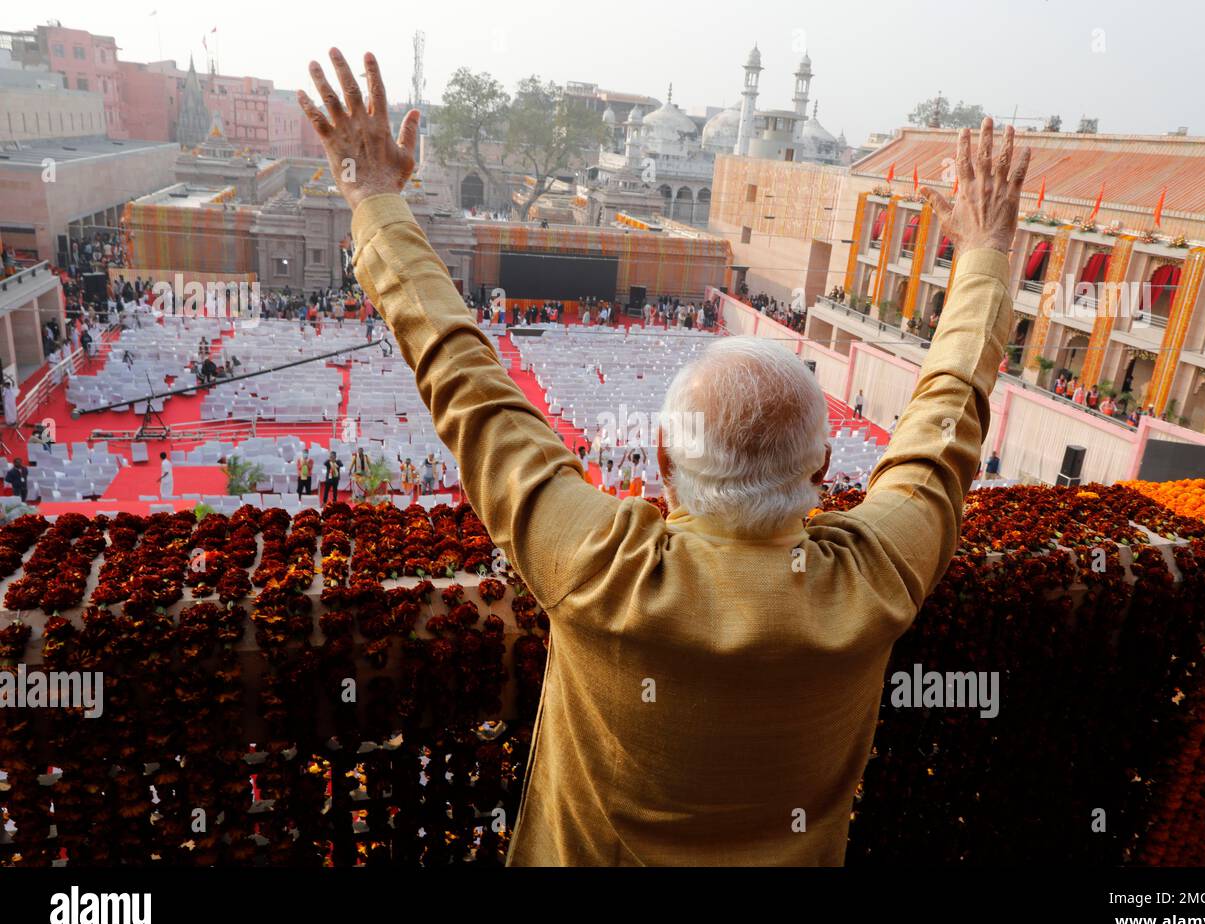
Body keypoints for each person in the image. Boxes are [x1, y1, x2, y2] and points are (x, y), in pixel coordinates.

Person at [300, 54, 1028, 866]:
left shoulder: (605, 569)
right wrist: (988, 253)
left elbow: (464, 378)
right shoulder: (873, 580)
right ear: (823, 472)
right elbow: (949, 414)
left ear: (662, 463)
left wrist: (373, 203)